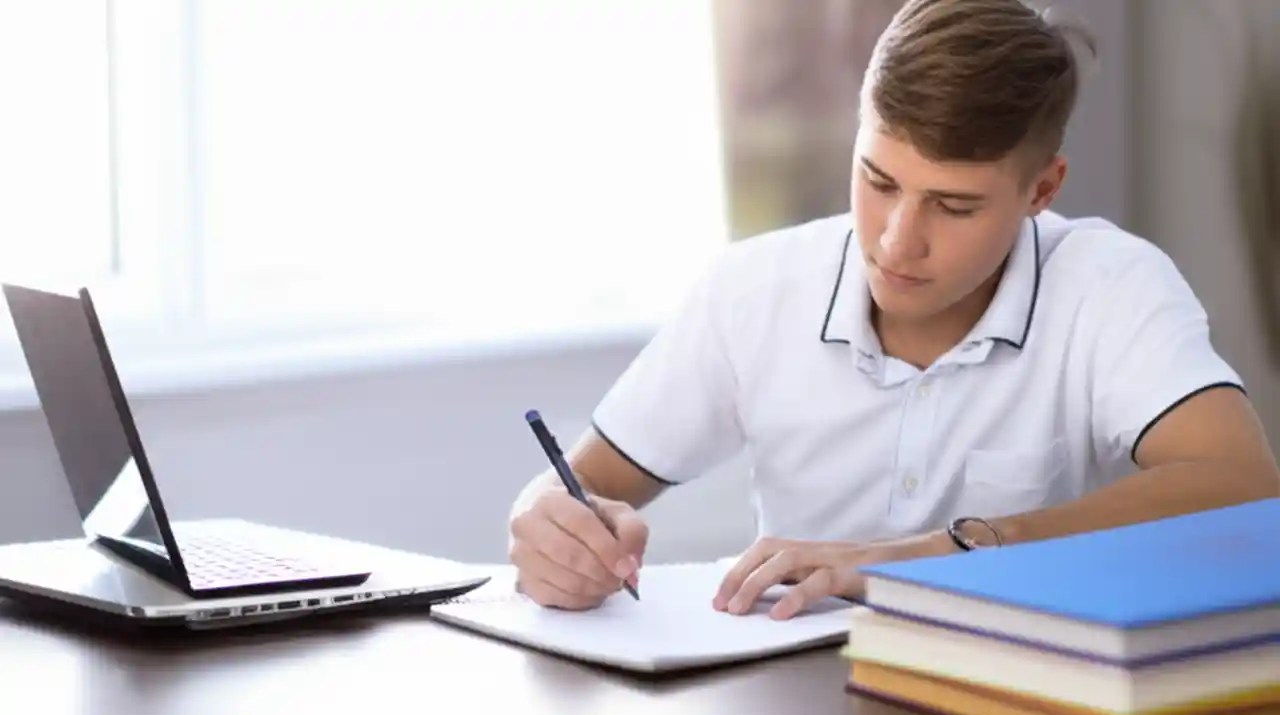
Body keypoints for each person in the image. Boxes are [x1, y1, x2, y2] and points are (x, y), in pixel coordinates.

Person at [506, 0, 1280, 621]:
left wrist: (938, 556)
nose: (898, 241)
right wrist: (551, 533)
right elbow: (567, 487)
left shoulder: (1110, 285)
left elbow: (1243, 486)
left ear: (1042, 190)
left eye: (952, 205)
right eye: (877, 181)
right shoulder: (752, 289)